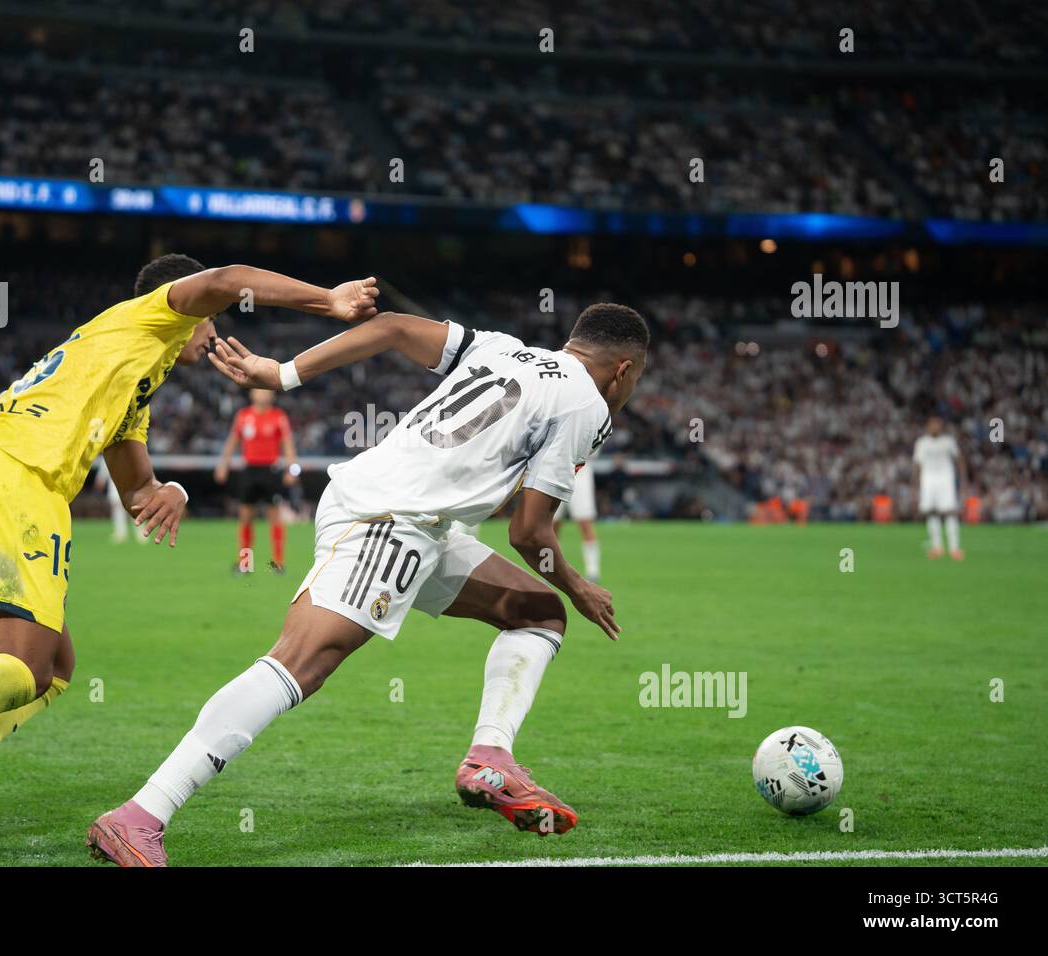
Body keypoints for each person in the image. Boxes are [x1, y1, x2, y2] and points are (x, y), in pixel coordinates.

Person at [0, 257, 379, 850]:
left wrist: (172, 491)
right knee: (24, 667)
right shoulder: (152, 317)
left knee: (52, 669)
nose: (215, 329)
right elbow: (224, 279)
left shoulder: (132, 375)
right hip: (20, 478)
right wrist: (327, 302)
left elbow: (137, 490)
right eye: (212, 319)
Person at [88, 302, 647, 866]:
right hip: (391, 521)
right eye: (635, 380)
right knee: (301, 662)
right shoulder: (587, 404)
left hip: (416, 517)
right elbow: (530, 533)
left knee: (537, 613)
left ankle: (491, 757)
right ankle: (141, 814)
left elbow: (392, 327)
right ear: (623, 369)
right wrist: (583, 588)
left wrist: (282, 373)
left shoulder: (504, 346)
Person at [215, 389, 299, 572]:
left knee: (274, 517)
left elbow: (288, 444)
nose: (262, 394)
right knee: (245, 517)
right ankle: (245, 564)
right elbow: (232, 440)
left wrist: (292, 469)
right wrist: (223, 465)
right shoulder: (244, 415)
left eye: (266, 391)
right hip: (249, 470)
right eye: (258, 390)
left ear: (272, 395)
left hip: (271, 470)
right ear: (251, 393)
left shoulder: (278, 416)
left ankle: (278, 563)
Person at [913, 416, 966, 559]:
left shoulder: (948, 442)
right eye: (932, 425)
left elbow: (959, 460)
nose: (934, 428)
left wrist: (962, 480)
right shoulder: (922, 443)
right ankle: (937, 547)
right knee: (931, 512)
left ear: (941, 427)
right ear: (928, 426)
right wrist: (915, 486)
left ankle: (954, 548)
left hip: (945, 479)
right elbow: (917, 465)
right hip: (928, 480)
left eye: (937, 425)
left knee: (949, 512)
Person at [554, 455, 601, 580]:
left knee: (585, 522)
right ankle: (549, 569)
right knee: (551, 526)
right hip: (554, 470)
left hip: (580, 470)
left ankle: (593, 571)